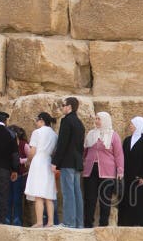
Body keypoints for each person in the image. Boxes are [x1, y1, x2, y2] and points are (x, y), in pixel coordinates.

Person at [83, 111, 124, 228]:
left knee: (105, 200)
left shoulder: (113, 135)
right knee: (90, 198)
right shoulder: (91, 134)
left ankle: (103, 225)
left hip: (107, 172)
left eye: (99, 119)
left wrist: (120, 170)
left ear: (105, 120)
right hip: (90, 170)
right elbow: (85, 151)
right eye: (96, 118)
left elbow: (119, 154)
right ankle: (88, 224)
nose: (96, 121)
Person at [52, 97, 85, 228]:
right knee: (77, 192)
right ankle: (78, 223)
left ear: (69, 106)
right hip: (77, 162)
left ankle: (69, 222)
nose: (62, 107)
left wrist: (55, 162)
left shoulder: (66, 121)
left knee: (68, 193)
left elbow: (62, 143)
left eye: (63, 105)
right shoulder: (79, 122)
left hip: (67, 162)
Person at [118, 116, 143, 227]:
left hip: (140, 176)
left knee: (140, 199)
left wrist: (142, 176)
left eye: (132, 124)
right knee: (127, 198)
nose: (130, 126)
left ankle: (142, 223)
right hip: (128, 175)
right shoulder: (127, 140)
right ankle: (126, 222)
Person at [25, 112, 59, 227]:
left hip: (38, 162)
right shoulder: (54, 135)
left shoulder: (37, 132)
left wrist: (28, 160)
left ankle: (39, 222)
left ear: (42, 120)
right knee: (48, 194)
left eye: (36, 120)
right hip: (49, 162)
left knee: (38, 194)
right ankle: (50, 222)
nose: (36, 122)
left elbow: (33, 151)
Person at [5, 125, 29, 226]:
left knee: (17, 199)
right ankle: (6, 219)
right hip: (7, 175)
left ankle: (17, 220)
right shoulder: (7, 144)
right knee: (8, 198)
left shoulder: (24, 145)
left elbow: (31, 158)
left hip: (20, 175)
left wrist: (20, 161)